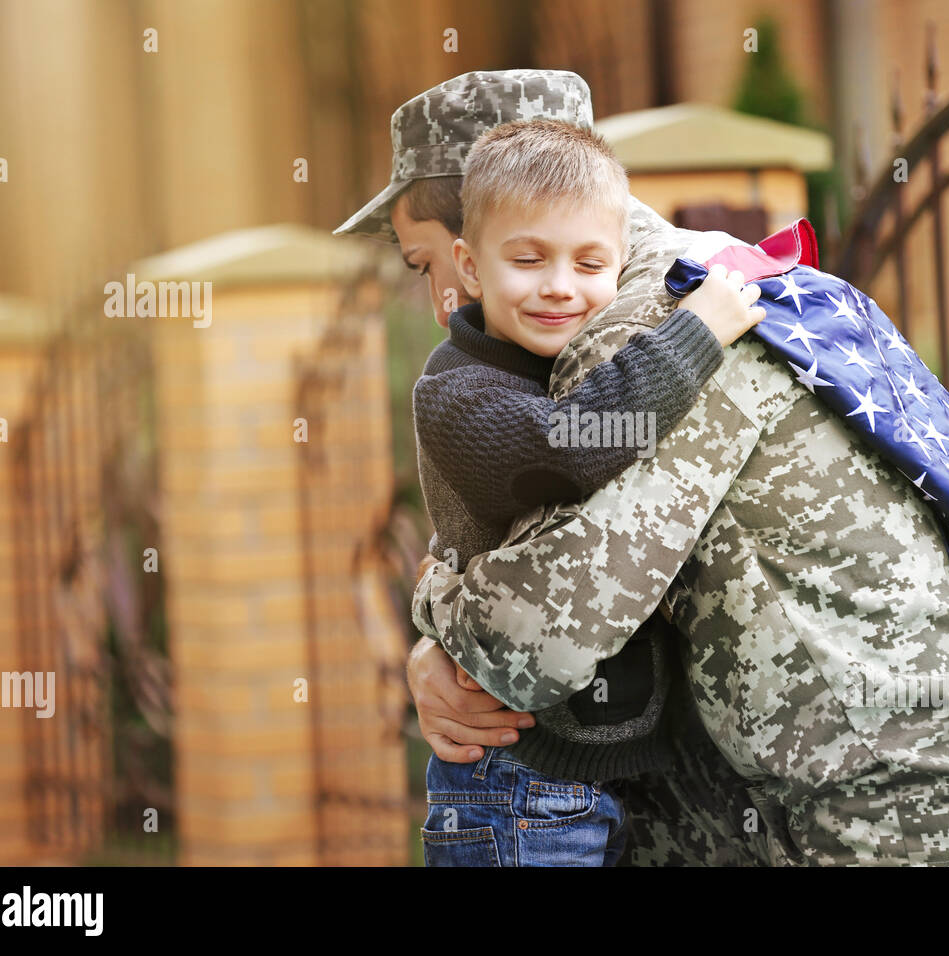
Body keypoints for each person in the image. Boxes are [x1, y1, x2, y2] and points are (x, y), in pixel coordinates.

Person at [337, 69, 774, 865]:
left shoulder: (604, 326)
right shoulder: (464, 383)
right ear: (476, 260)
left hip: (608, 777)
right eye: (423, 267)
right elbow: (567, 449)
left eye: (585, 261)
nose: (441, 300)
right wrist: (695, 335)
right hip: (517, 783)